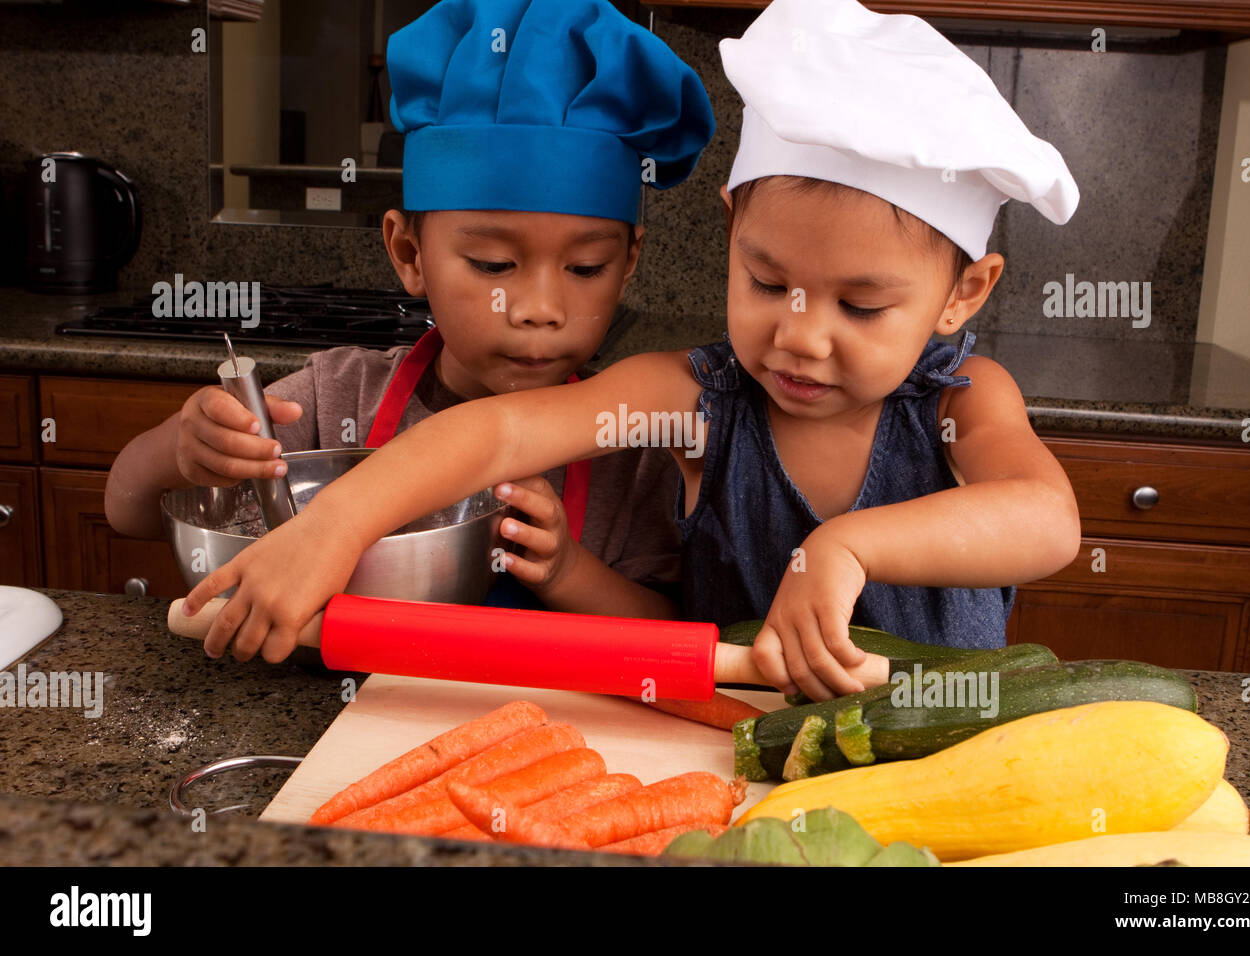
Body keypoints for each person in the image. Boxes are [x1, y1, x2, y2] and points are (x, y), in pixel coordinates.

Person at [180, 0, 1082, 702]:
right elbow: (495, 436)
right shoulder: (694, 401)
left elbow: (1045, 519)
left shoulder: (961, 402)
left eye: (862, 305)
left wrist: (846, 547)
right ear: (731, 233)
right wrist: (335, 527)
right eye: (768, 285)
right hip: (725, 756)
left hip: (943, 766)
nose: (801, 335)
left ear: (964, 293)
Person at [106, 0, 714, 625]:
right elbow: (125, 508)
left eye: (585, 268)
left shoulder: (633, 452)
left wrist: (567, 572)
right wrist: (182, 452)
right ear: (409, 252)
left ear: (630, 261)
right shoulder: (336, 399)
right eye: (493, 265)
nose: (539, 310)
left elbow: (670, 630)